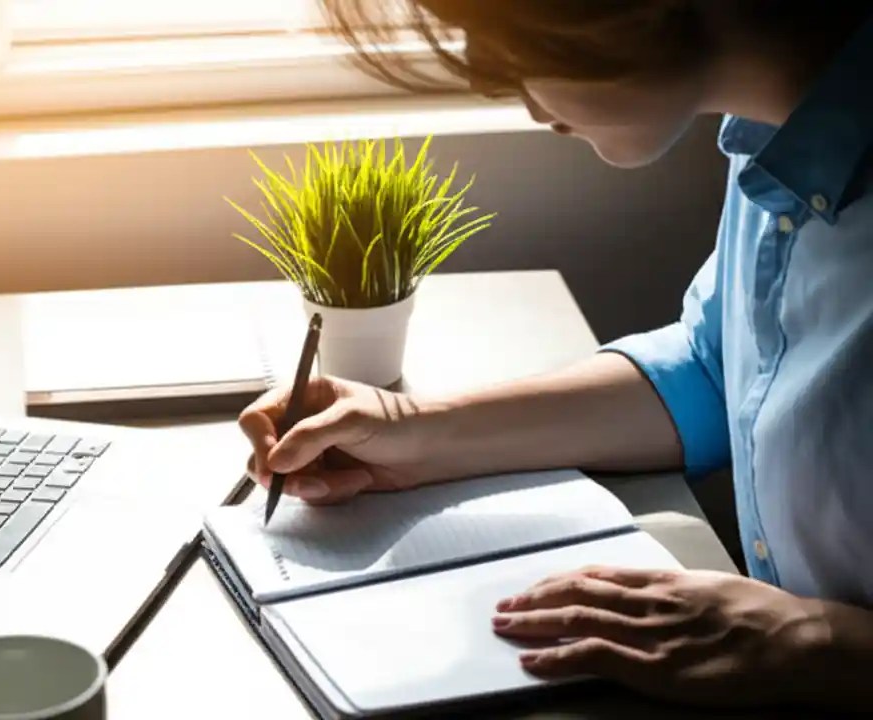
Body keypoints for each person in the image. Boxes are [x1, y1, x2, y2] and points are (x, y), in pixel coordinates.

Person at [240, 0, 873, 710]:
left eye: (501, 29)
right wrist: (414, 427)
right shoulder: (773, 133)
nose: (485, 76)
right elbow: (718, 371)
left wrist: (826, 645)